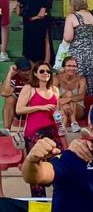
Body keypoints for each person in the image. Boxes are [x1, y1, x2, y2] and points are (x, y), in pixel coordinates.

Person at [16, 61, 61, 196]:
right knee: (36, 166)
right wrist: (40, 107)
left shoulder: (55, 90)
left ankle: (59, 198)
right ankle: (39, 203)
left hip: (52, 129)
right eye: (42, 71)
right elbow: (19, 109)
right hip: (34, 131)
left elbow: (56, 112)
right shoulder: (29, 88)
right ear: (35, 73)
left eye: (48, 71)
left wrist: (61, 128)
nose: (45, 74)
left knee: (61, 162)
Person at [62, 0, 93, 97]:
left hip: (79, 55)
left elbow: (68, 38)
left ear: (73, 4)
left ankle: (81, 105)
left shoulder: (72, 16)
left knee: (80, 82)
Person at [55, 56, 85, 129]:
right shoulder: (57, 78)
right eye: (69, 66)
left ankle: (68, 124)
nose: (71, 68)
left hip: (78, 109)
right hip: (60, 108)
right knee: (68, 93)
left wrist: (67, 100)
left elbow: (81, 96)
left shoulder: (81, 79)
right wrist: (64, 103)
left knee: (69, 94)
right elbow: (53, 95)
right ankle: (71, 124)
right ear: (63, 67)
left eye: (74, 66)